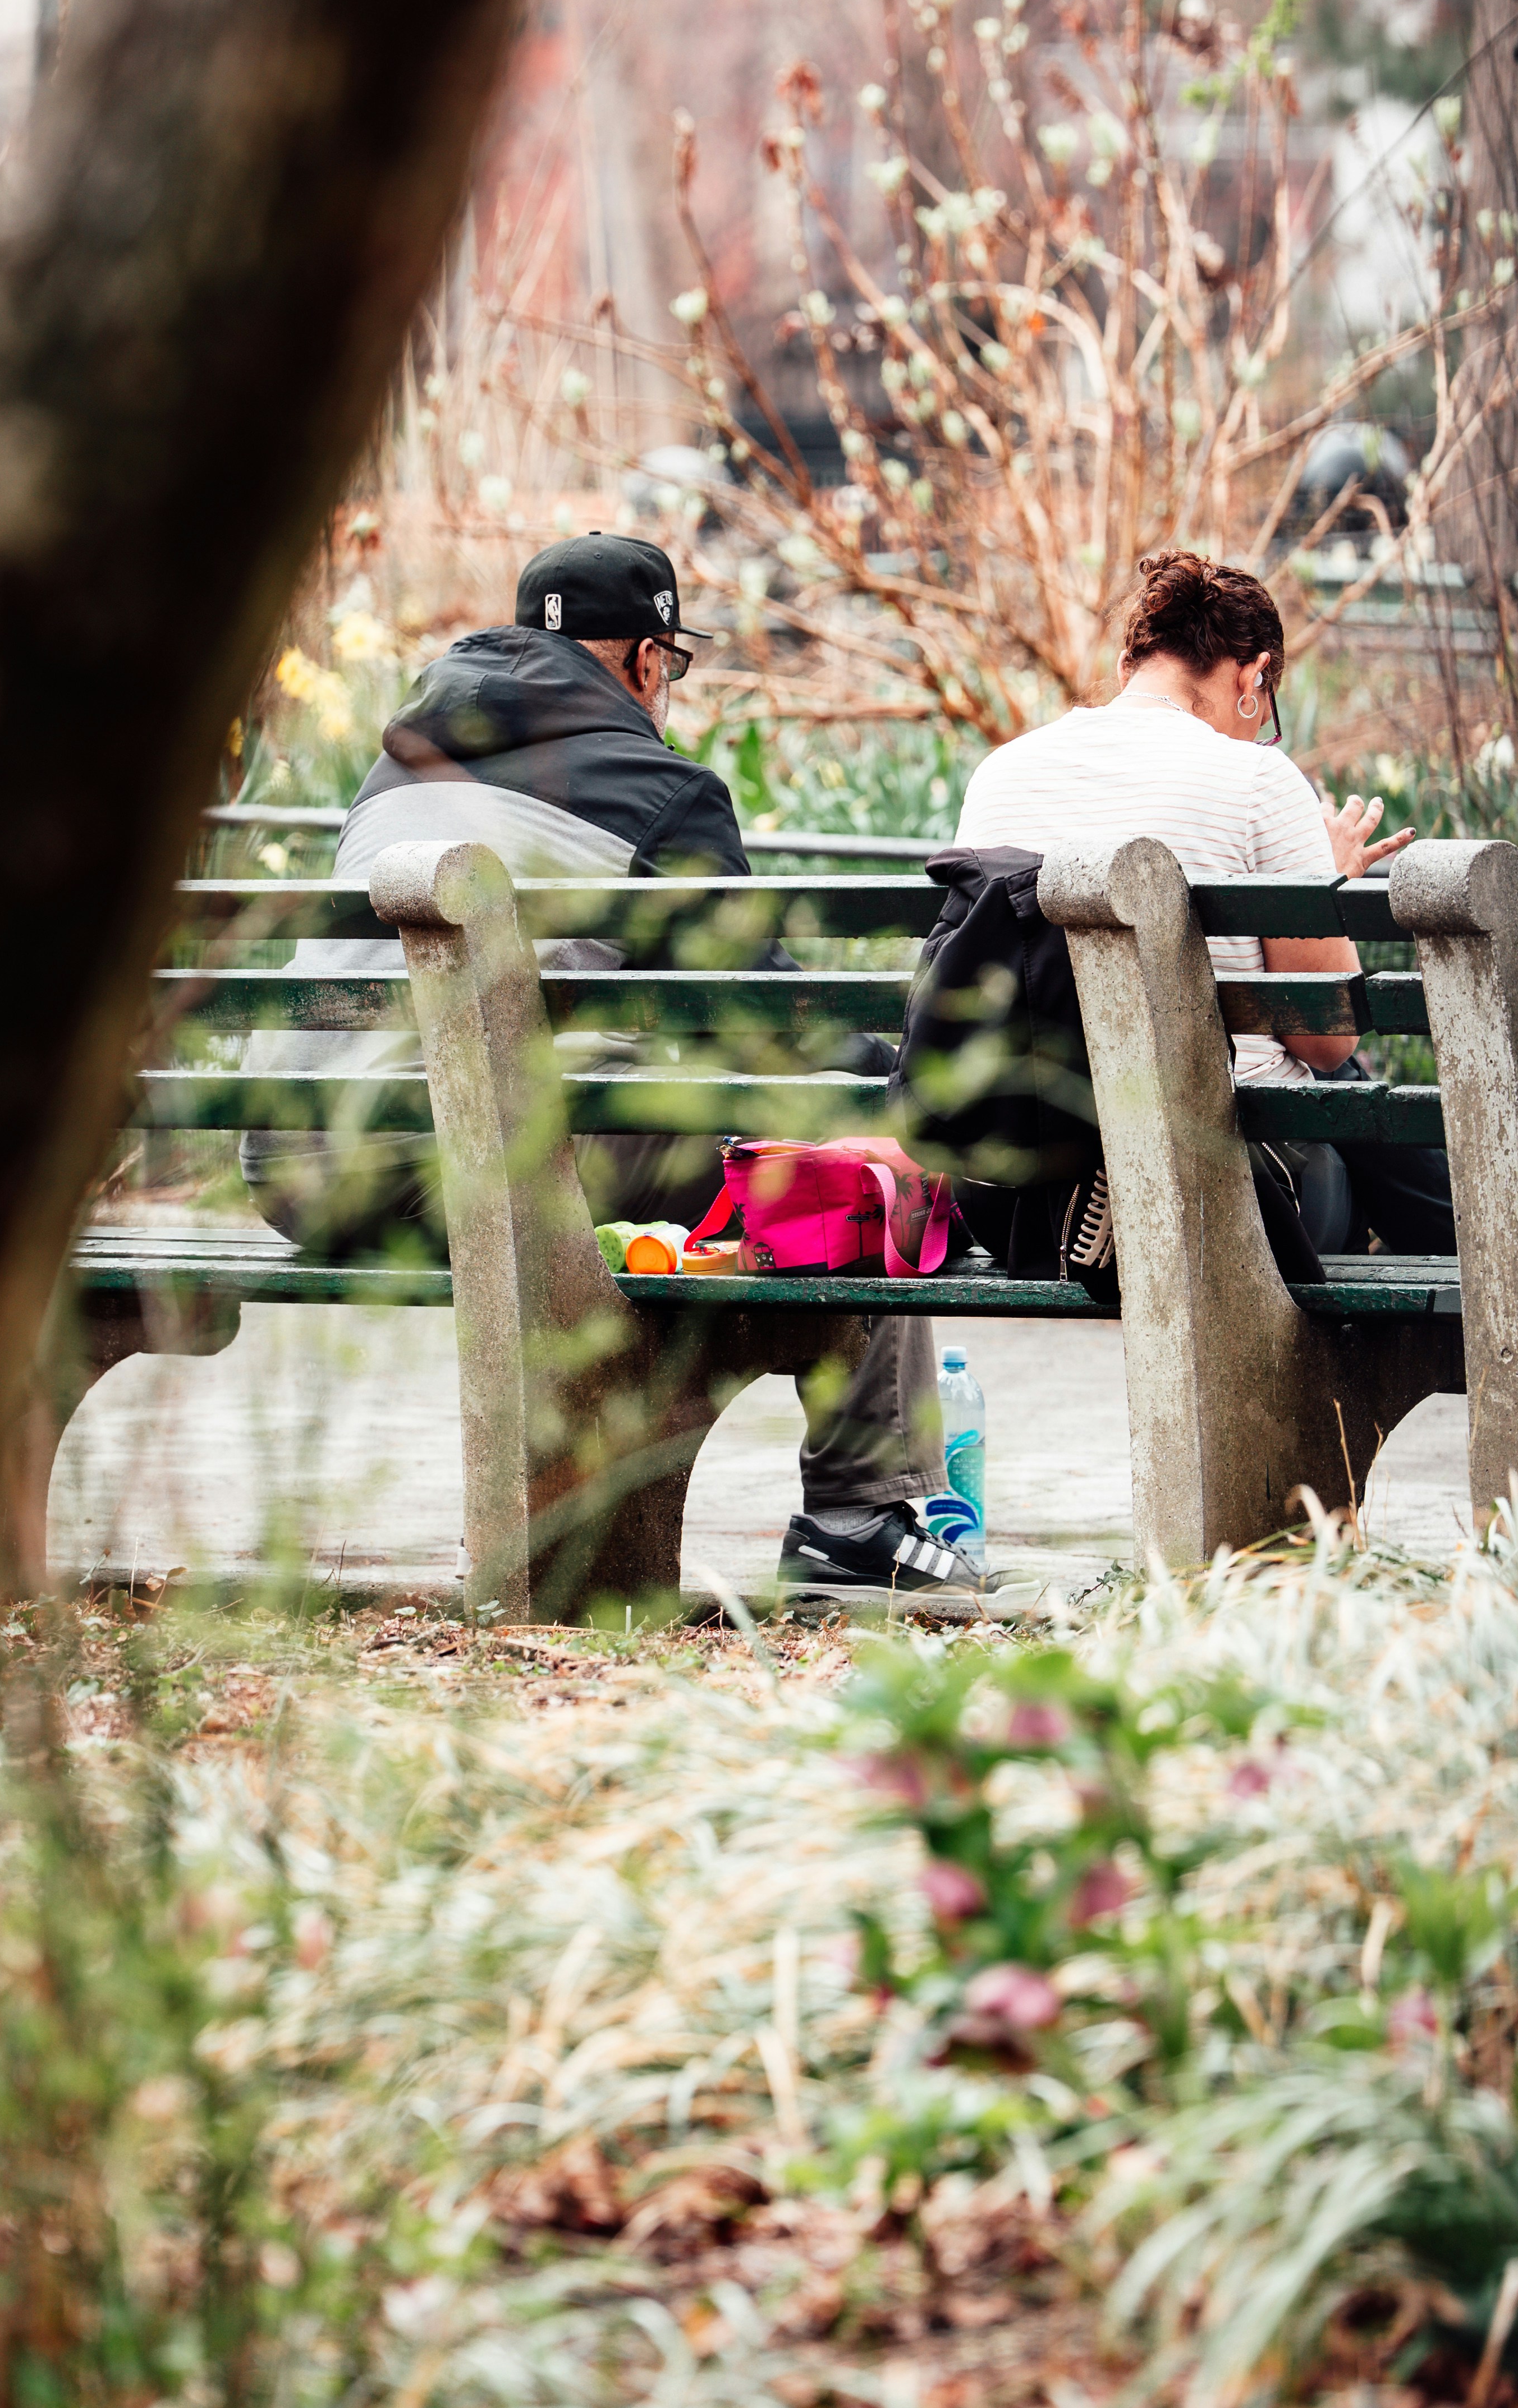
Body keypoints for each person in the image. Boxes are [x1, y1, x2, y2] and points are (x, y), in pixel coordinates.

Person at [241, 532, 975, 1605]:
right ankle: (860, 1514)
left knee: (593, 1088)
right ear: (642, 659)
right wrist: (889, 1091)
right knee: (850, 1170)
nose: (668, 689)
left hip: (297, 1169)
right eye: (671, 666)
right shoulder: (655, 790)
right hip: (472, 1172)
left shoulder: (398, 763)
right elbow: (761, 1024)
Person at [948, 545, 1454, 1284]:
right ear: (1254, 677)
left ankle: (1106, 1180)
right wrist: (1324, 884)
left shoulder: (1002, 771)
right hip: (1223, 1191)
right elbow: (1326, 1041)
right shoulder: (1255, 779)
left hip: (1008, 1191)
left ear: (1131, 668)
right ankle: (1491, 1259)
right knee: (1348, 1100)